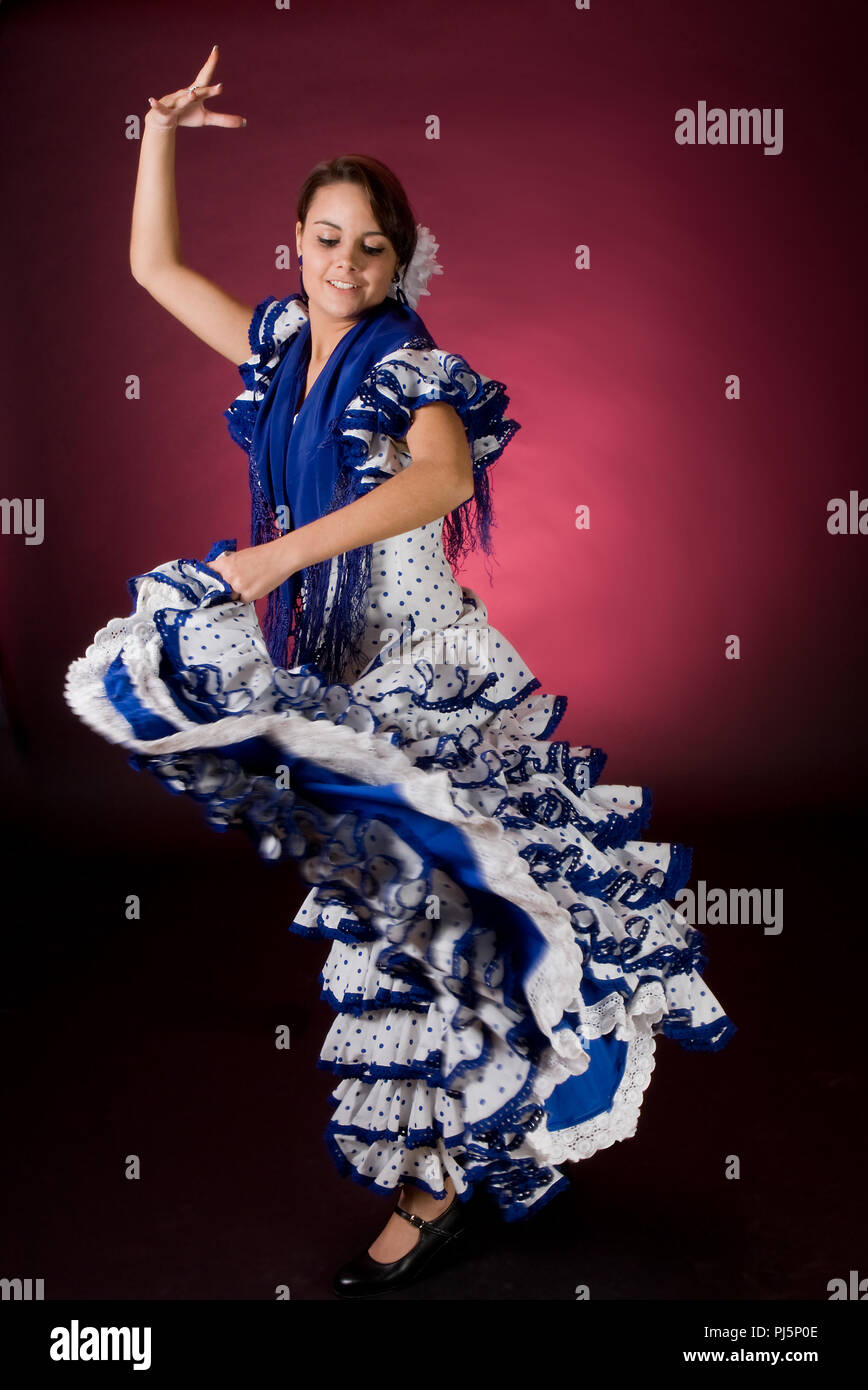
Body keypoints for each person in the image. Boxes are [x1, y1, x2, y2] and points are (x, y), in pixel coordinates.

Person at [64, 46, 737, 1299]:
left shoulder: (403, 366)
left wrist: (273, 558)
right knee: (429, 933)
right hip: (337, 689)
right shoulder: (279, 348)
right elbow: (153, 269)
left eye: (370, 248)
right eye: (325, 240)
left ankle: (434, 1187)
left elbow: (443, 480)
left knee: (433, 930)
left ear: (399, 261)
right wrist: (156, 127)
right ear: (297, 244)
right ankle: (481, 1147)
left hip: (428, 682)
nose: (344, 265)